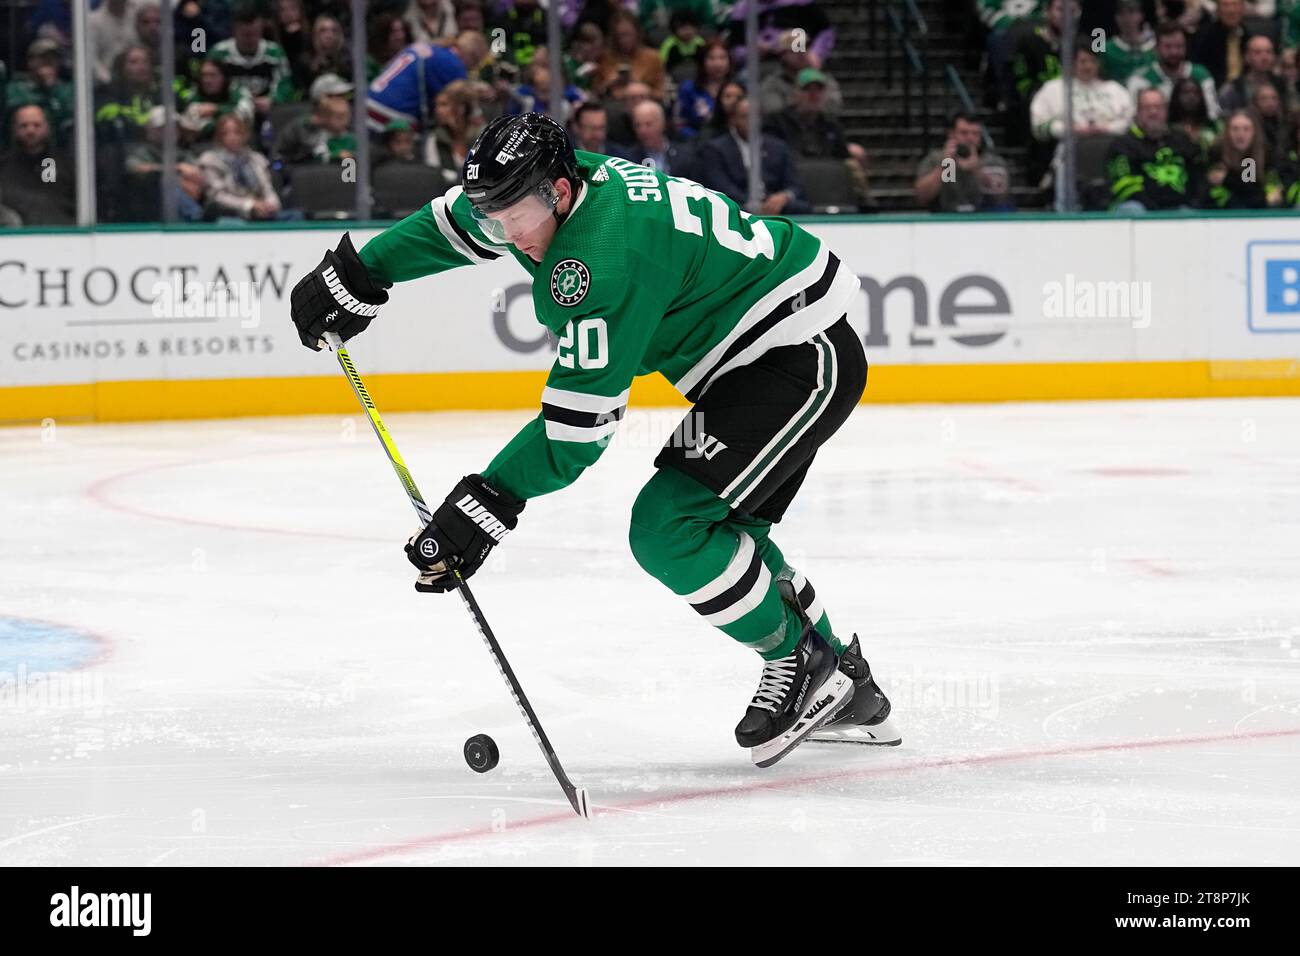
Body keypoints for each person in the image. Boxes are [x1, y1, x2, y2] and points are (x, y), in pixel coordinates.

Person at [289, 112, 900, 766]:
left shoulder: (597, 263)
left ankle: (802, 663)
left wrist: (488, 501)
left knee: (668, 527)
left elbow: (577, 432)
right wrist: (360, 272)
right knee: (728, 540)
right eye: (492, 218)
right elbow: (456, 223)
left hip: (796, 359)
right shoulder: (554, 183)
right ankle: (849, 686)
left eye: (512, 219)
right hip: (765, 356)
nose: (504, 236)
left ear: (555, 192)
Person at [697, 95, 811, 214]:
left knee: (802, 207)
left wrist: (784, 196)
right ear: (733, 119)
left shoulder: (778, 147)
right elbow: (721, 186)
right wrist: (754, 203)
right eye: (745, 117)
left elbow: (795, 185)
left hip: (775, 206)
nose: (751, 122)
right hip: (738, 207)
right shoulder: (715, 150)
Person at [1107, 88, 1204, 211]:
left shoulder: (1182, 140)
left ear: (1166, 111)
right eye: (1147, 107)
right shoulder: (1122, 145)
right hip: (1142, 209)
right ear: (1137, 112)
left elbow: (1198, 175)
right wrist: (1156, 212)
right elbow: (1124, 185)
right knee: (1133, 209)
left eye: (1158, 107)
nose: (1153, 112)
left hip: (1179, 208)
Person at [366, 32, 474, 132]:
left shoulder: (428, 47)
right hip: (389, 114)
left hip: (367, 102)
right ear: (471, 56)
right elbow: (463, 96)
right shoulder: (453, 63)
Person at [913, 112, 1013, 213]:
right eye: (964, 133)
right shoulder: (936, 158)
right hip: (946, 217)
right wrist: (946, 166)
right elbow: (921, 197)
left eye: (975, 134)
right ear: (951, 134)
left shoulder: (992, 161)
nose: (970, 138)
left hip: (983, 217)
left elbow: (1001, 198)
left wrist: (976, 170)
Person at [199, 112, 290, 220]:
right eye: (225, 133)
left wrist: (271, 205)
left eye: (237, 132)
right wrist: (250, 205)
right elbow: (217, 196)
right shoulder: (210, 160)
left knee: (295, 217)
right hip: (231, 213)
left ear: (245, 135)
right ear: (219, 137)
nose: (232, 137)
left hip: (262, 212)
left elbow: (267, 190)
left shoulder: (257, 159)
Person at [209, 6, 296, 116]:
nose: (250, 39)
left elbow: (285, 84)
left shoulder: (274, 53)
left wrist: (272, 100)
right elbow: (208, 85)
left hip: (267, 110)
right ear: (234, 30)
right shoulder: (219, 53)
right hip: (230, 109)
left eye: (255, 34)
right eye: (246, 35)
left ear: (261, 29)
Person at [1129, 21, 1222, 121]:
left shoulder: (1201, 75)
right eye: (1168, 47)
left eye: (1179, 46)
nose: (1174, 52)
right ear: (1156, 48)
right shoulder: (1141, 79)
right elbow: (1135, 117)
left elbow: (1212, 113)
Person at [0, 104, 76, 224]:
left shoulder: (68, 166)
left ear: (47, 128)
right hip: (15, 239)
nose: (30, 131)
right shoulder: (3, 167)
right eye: (23, 126)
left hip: (62, 237)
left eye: (37, 125)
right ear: (14, 129)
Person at [5, 38, 75, 148]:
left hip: (60, 151)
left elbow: (69, 117)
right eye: (42, 58)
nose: (47, 62)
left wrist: (51, 90)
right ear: (31, 62)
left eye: (52, 58)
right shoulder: (16, 89)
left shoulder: (68, 90)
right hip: (21, 149)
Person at [1206, 108, 1283, 207]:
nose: (1240, 134)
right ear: (1227, 133)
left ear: (1254, 133)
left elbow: (1266, 197)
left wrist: (1226, 179)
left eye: (1246, 129)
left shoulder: (1268, 157)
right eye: (1235, 129)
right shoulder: (1216, 156)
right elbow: (1214, 198)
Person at [274, 74, 356, 164]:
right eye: (337, 97)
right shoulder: (300, 128)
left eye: (345, 96)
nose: (343, 103)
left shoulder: (353, 128)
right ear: (321, 101)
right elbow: (281, 160)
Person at [675, 37, 732, 139]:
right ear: (702, 62)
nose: (718, 64)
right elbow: (680, 124)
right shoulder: (688, 89)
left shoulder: (736, 88)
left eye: (722, 58)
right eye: (711, 58)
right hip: (697, 143)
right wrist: (697, 139)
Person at [627, 99, 694, 177]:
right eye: (638, 125)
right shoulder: (629, 160)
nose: (643, 131)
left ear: (662, 123)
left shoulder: (685, 155)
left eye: (648, 124)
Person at [1218, 35, 1279, 112]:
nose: (1265, 57)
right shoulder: (1234, 88)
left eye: (1269, 52)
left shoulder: (1282, 85)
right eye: (1257, 53)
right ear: (1247, 57)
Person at [1101, 0, 1156, 87]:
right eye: (1121, 14)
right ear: (1116, 17)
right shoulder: (1107, 49)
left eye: (1131, 12)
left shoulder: (1155, 47)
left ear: (1141, 15)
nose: (1126, 19)